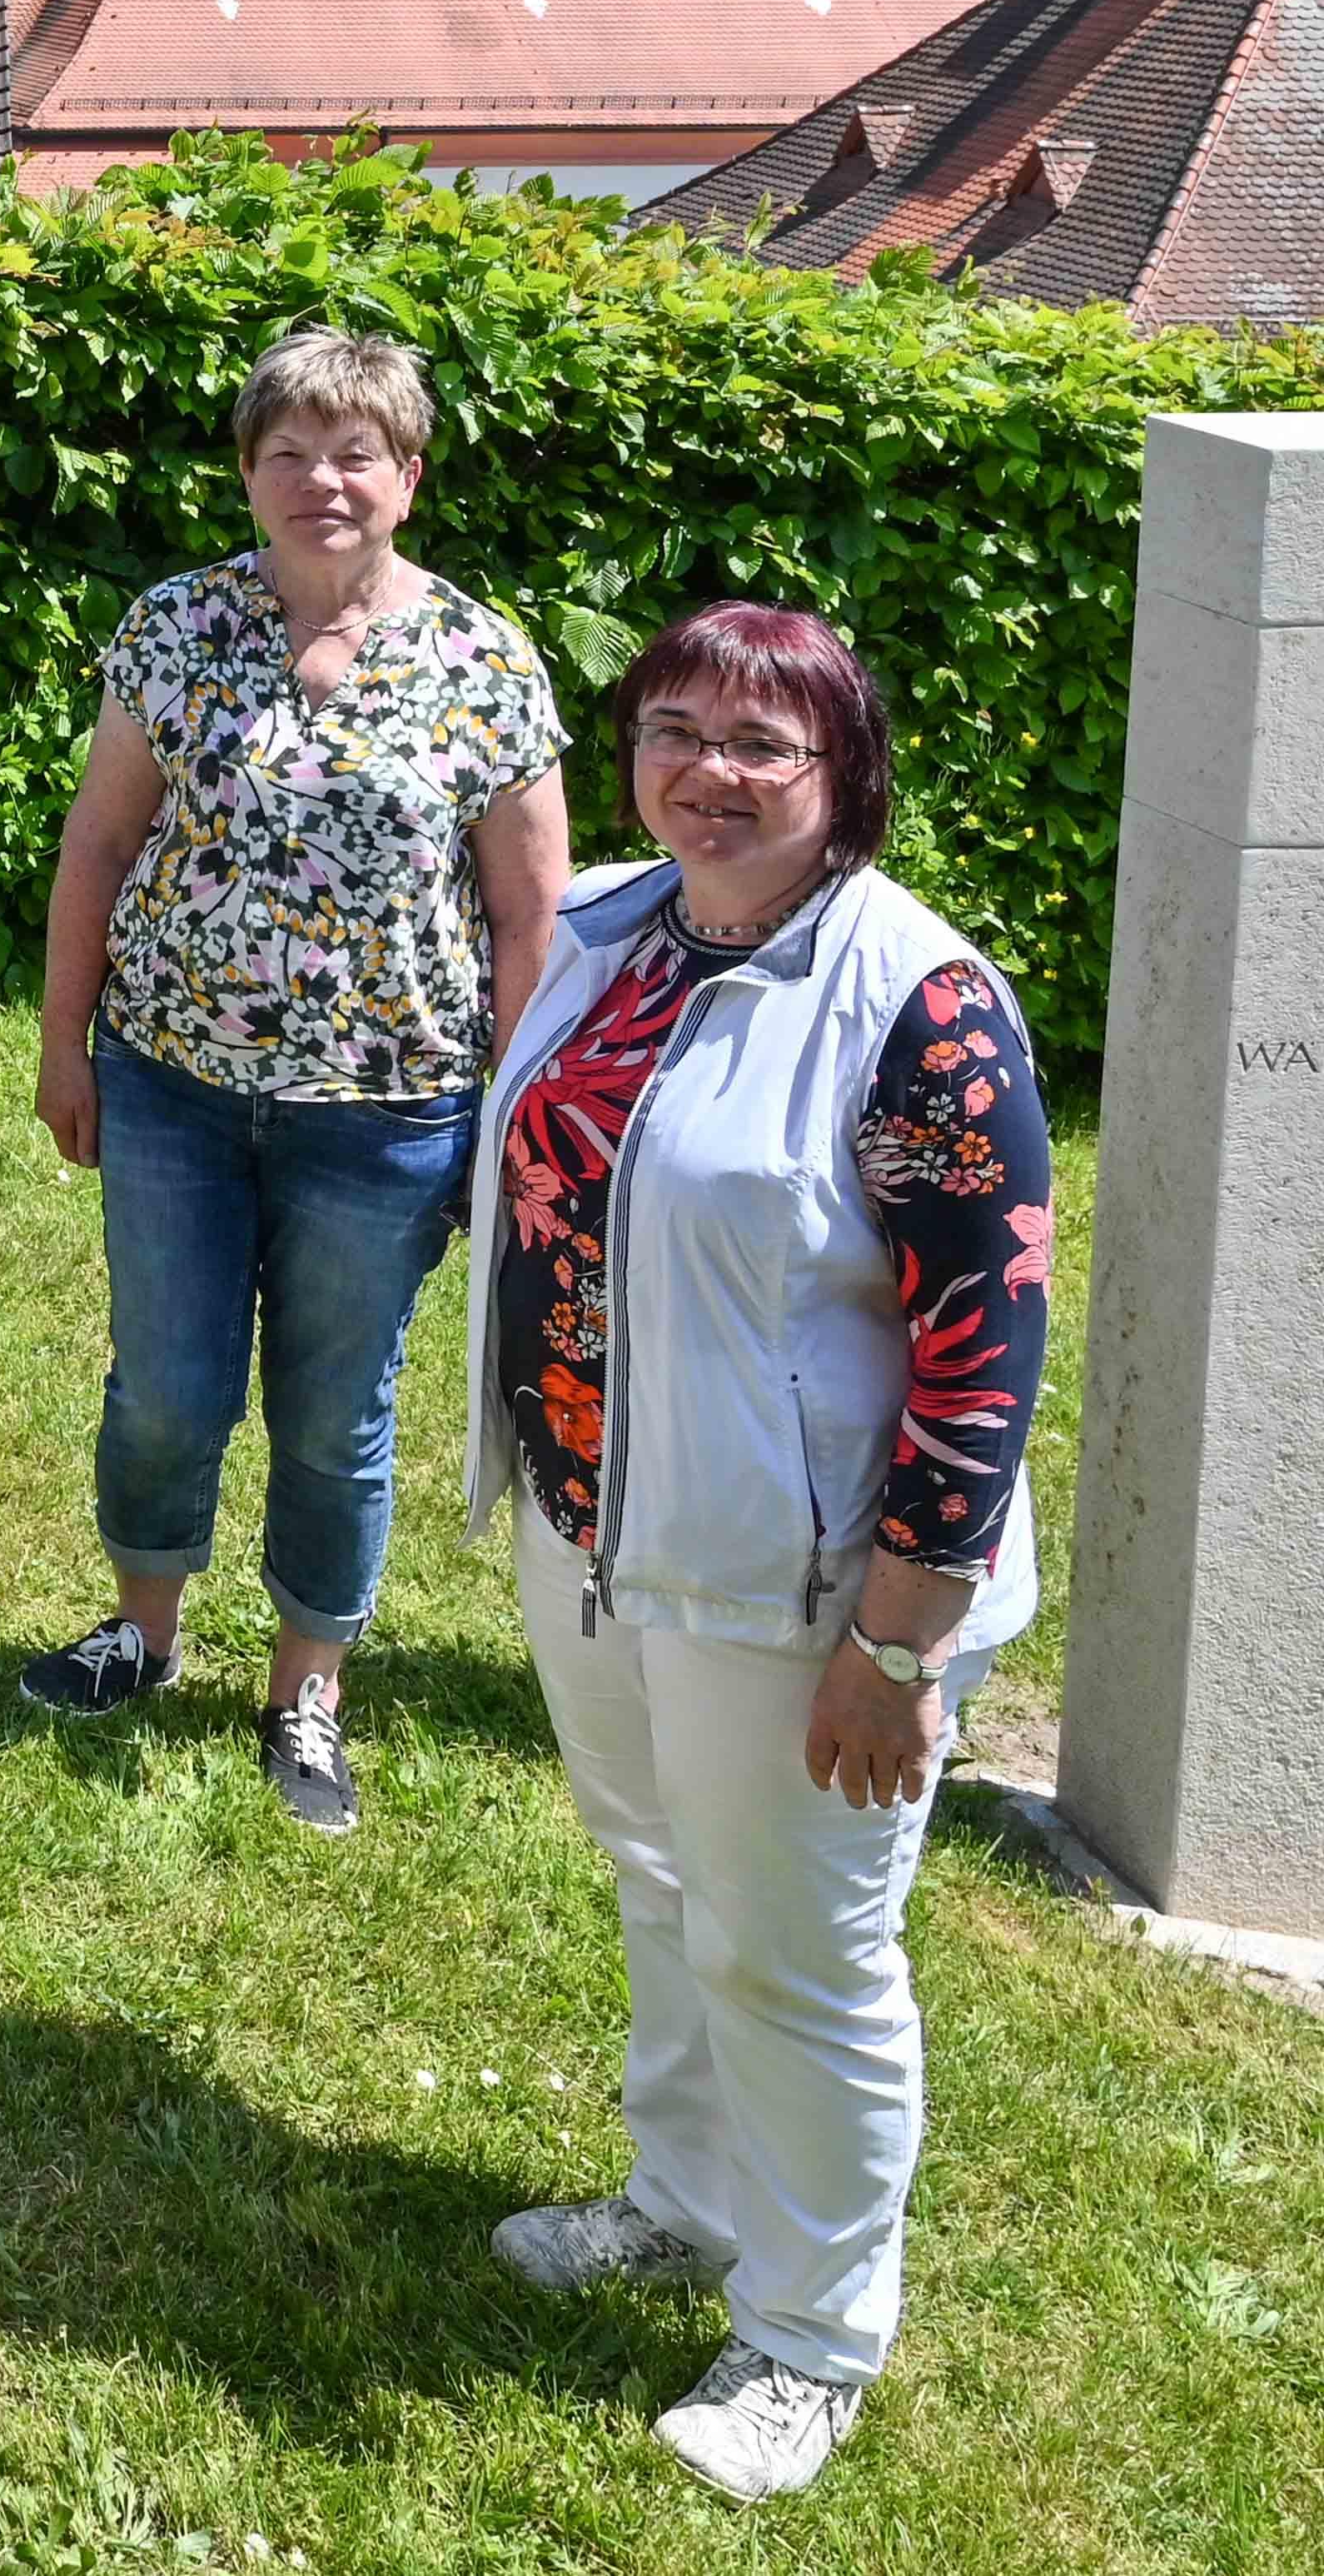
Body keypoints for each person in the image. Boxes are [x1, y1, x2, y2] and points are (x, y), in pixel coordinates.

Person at [464, 602, 1051, 2504]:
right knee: (661, 1878)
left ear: (845, 778)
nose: (708, 768)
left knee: (801, 1950)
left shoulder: (919, 1002)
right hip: (599, 1516)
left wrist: (902, 1633)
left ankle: (810, 2339)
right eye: (677, 725)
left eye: (762, 745)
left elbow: (985, 1334)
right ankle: (687, 2198)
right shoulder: (621, 922)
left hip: (799, 1584)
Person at [25, 326, 568, 1830]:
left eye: (353, 453)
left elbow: (528, 915)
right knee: (167, 1389)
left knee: (337, 1413)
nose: (319, 480)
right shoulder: (179, 625)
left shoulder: (483, 661)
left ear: (408, 472)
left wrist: (508, 1130)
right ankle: (142, 1632)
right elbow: (100, 846)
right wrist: (66, 1040)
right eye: (288, 453)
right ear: (249, 474)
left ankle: (307, 1690)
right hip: (174, 1088)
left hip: (388, 1117)